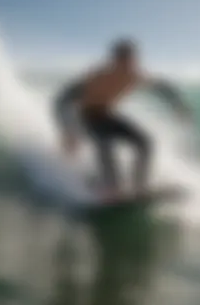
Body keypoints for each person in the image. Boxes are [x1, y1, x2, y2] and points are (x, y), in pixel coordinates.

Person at [53, 38, 191, 201]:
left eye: (131, 59)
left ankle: (139, 185)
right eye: (122, 59)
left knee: (145, 142)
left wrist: (178, 105)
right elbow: (62, 100)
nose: (127, 64)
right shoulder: (97, 76)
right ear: (114, 60)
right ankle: (110, 186)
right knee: (105, 142)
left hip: (106, 114)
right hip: (86, 116)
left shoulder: (136, 75)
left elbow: (163, 87)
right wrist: (68, 131)